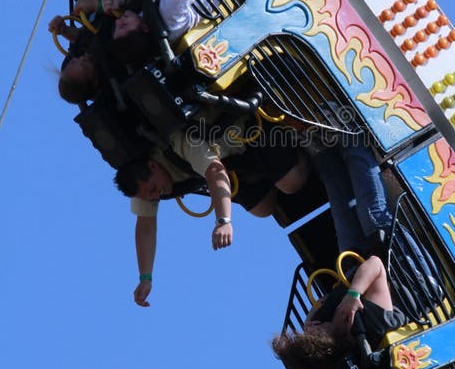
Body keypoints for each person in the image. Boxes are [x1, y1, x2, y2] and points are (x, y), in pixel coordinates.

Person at [114, 120, 309, 308]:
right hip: (237, 161)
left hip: (249, 132)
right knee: (263, 208)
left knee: (291, 183)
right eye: (152, 196)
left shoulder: (177, 143)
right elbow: (145, 226)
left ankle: (306, 145)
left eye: (155, 189)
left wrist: (223, 221)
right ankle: (275, 171)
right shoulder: (142, 186)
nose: (159, 195)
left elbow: (215, 170)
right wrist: (145, 278)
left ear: (152, 165)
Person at [271, 254, 407, 369]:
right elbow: (375, 263)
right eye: (308, 334)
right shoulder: (374, 325)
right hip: (404, 267)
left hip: (356, 260)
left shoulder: (328, 321)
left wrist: (308, 321)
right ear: (325, 340)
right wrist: (354, 294)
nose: (308, 330)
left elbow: (323, 300)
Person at [307, 134, 393, 258]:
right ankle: (345, 134)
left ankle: (330, 145)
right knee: (376, 225)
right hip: (398, 267)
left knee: (351, 251)